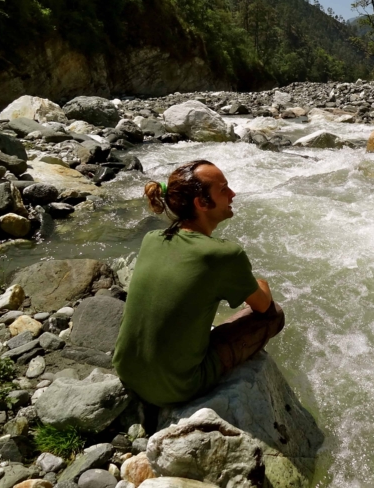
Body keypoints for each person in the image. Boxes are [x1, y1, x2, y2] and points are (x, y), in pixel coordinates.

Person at [113, 159, 285, 408]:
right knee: (274, 314)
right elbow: (262, 306)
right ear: (201, 203)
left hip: (127, 372)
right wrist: (261, 283)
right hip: (178, 387)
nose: (233, 194)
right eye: (224, 189)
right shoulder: (224, 254)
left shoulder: (152, 238)